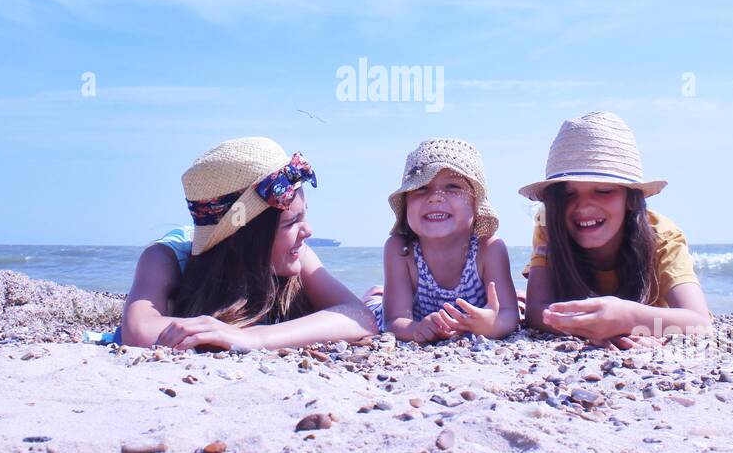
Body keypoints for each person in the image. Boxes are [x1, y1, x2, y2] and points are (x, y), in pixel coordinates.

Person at [121, 136, 378, 350]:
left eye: (305, 215)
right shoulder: (165, 258)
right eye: (291, 223)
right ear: (243, 237)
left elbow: (359, 317)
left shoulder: (297, 256)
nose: (307, 231)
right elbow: (139, 331)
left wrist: (252, 338)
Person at [520, 112, 713, 347]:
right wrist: (594, 327)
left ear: (631, 199)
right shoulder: (550, 227)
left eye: (603, 191)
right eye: (568, 194)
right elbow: (535, 312)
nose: (583, 206)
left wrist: (629, 318)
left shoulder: (662, 236)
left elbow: (700, 323)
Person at [363, 138, 519, 343]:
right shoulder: (401, 250)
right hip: (405, 312)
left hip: (475, 312)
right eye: (421, 188)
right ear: (406, 202)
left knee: (520, 302)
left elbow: (509, 314)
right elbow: (394, 320)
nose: (435, 197)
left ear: (476, 203)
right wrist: (417, 329)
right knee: (368, 311)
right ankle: (376, 294)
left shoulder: (488, 249)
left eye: (453, 187)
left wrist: (490, 325)